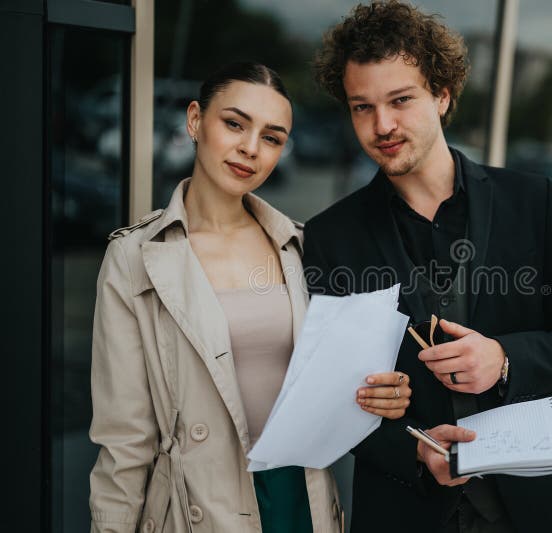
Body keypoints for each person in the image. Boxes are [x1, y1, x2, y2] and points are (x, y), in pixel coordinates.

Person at [304, 2, 552, 532]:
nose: (382, 125)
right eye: (362, 107)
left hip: (538, 510)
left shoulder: (531, 201)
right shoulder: (332, 236)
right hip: (406, 511)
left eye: (400, 100)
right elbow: (333, 401)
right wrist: (412, 451)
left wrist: (504, 358)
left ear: (442, 95)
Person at [88, 61, 412, 533]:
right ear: (196, 120)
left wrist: (384, 394)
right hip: (196, 507)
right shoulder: (135, 257)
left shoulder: (303, 248)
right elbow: (125, 437)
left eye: (272, 137)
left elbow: (336, 383)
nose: (249, 148)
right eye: (234, 123)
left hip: (300, 497)